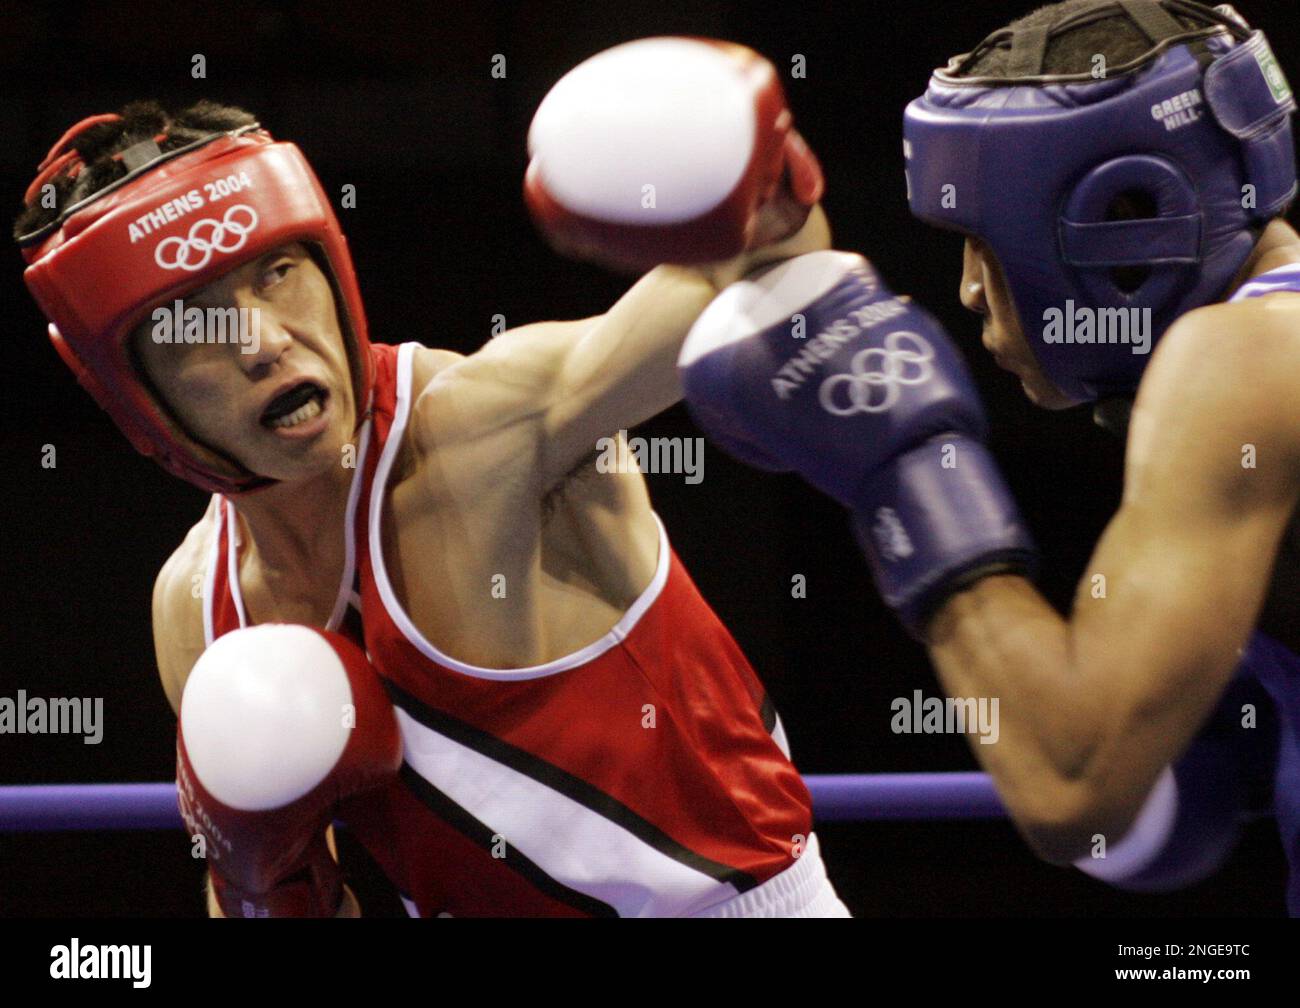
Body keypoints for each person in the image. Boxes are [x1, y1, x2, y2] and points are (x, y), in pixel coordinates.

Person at [15, 35, 848, 917]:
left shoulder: (487, 426)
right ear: (129, 391)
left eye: (279, 273)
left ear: (330, 268)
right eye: (193, 323)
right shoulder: (195, 607)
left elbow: (777, 279)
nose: (264, 342)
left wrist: (753, 174)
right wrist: (262, 883)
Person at [678, 0, 1300, 911]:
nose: (969, 290)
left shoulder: (1238, 364)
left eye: (989, 241)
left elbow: (1071, 784)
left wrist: (907, 472)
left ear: (1127, 215)